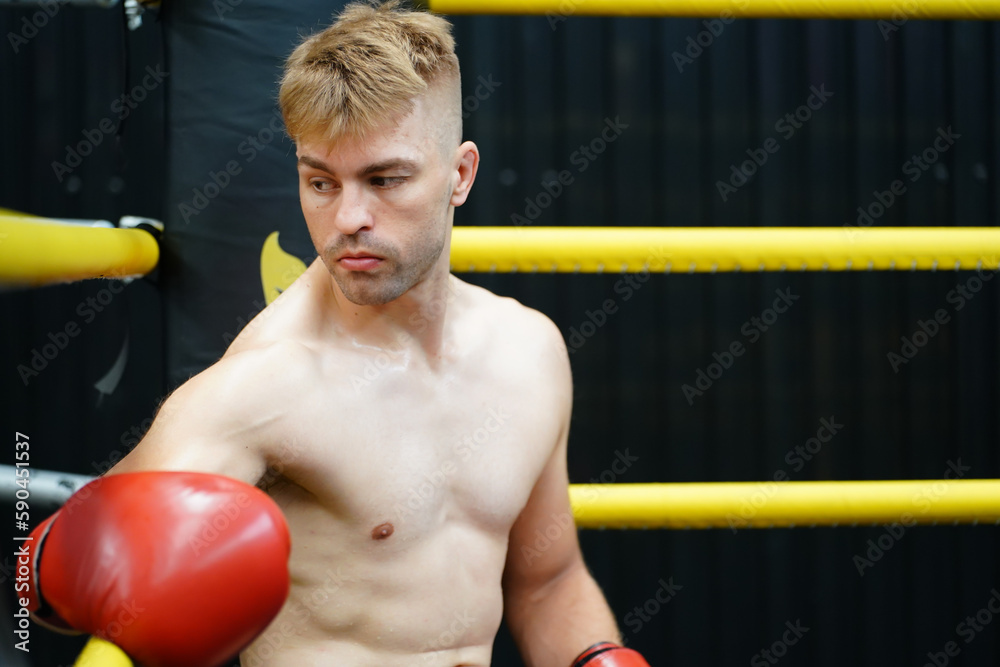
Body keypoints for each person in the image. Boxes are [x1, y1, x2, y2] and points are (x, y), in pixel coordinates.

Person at [25, 2, 651, 666]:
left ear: (460, 175)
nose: (347, 218)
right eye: (320, 181)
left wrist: (595, 655)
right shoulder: (265, 388)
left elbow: (548, 582)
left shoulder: (529, 352)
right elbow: (50, 571)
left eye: (385, 179)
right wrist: (56, 562)